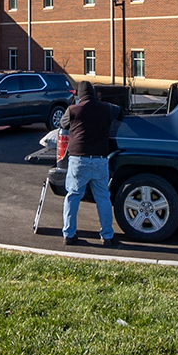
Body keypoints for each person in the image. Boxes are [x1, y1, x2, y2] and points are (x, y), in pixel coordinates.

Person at [60, 81, 119, 246]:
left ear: (79, 94)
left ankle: (69, 234)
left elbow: (62, 124)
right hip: (100, 160)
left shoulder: (73, 110)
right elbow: (119, 111)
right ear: (93, 93)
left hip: (78, 160)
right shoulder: (105, 108)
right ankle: (107, 236)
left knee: (73, 196)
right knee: (103, 198)